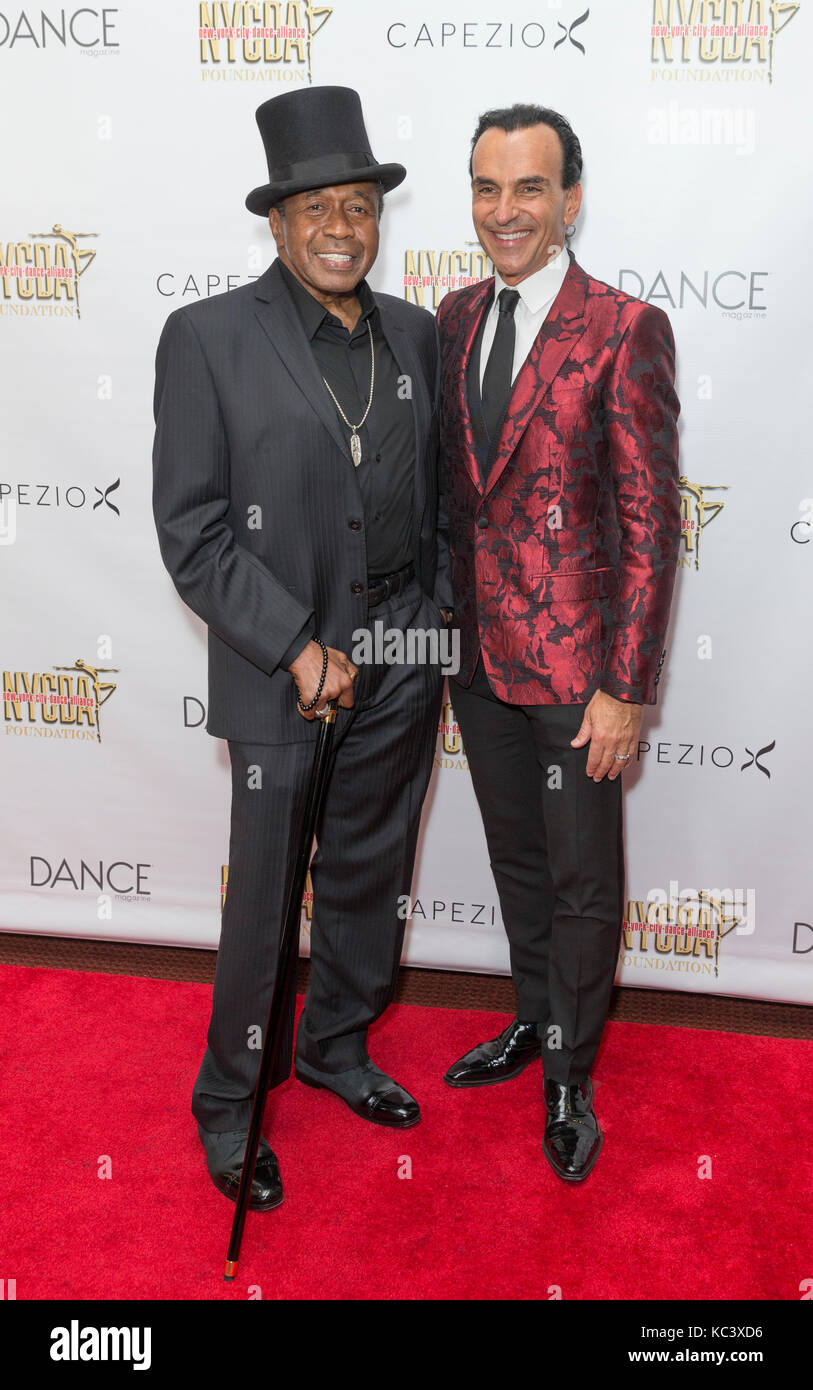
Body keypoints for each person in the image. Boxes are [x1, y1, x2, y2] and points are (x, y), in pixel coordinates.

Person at [152, 86, 452, 1211]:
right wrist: (293, 646)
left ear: (378, 218)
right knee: (268, 896)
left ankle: (334, 1046)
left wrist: (425, 634)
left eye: (359, 205)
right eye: (315, 207)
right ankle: (229, 1102)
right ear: (277, 225)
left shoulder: (416, 334)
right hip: (285, 673)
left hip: (399, 660)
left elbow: (434, 511)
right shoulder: (208, 339)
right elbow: (193, 529)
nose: (341, 225)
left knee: (370, 874)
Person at [436, 104, 680, 1181]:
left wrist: (628, 686)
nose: (505, 211)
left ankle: (572, 1075)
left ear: (570, 199)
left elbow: (649, 522)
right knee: (517, 862)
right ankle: (537, 1019)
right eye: (488, 189)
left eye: (528, 188)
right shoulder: (449, 318)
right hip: (480, 663)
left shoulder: (626, 328)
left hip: (583, 676)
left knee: (584, 877)